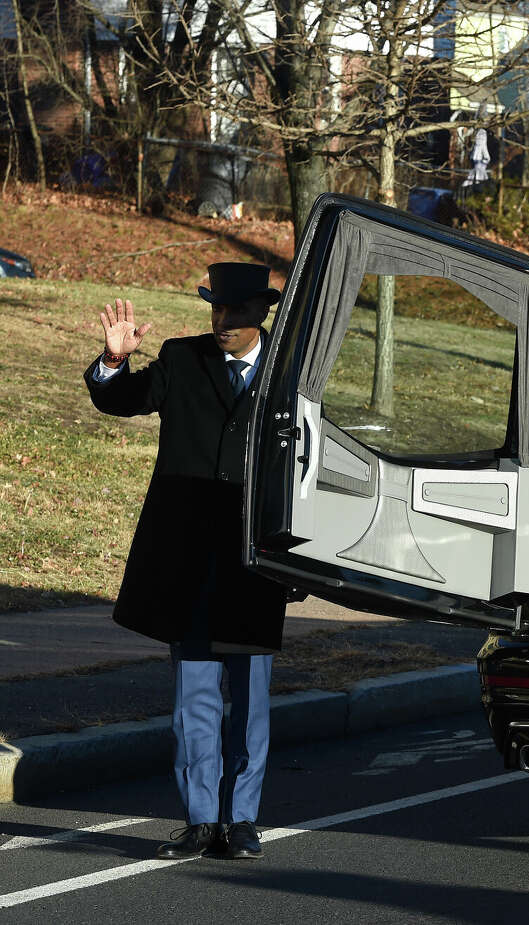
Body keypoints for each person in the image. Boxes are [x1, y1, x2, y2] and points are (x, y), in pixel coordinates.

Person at [85, 262, 289, 861]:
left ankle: (242, 820)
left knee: (250, 698)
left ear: (260, 314)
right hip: (189, 560)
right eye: (215, 309)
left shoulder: (292, 373)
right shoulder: (181, 358)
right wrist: (114, 360)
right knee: (194, 697)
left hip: (257, 563)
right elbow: (118, 400)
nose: (222, 320)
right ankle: (201, 820)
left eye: (234, 311)